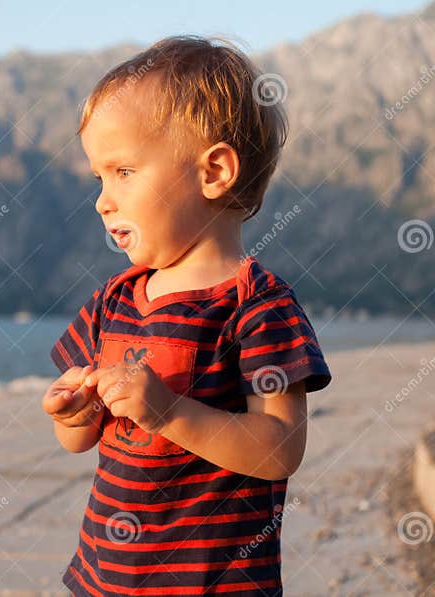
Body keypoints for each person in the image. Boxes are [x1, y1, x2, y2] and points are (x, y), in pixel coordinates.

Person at [43, 35, 332, 596]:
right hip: (108, 577)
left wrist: (168, 411)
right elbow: (78, 440)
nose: (103, 199)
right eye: (97, 178)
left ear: (214, 171)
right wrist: (72, 412)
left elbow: (280, 451)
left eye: (123, 171)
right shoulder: (115, 300)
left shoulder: (258, 305)